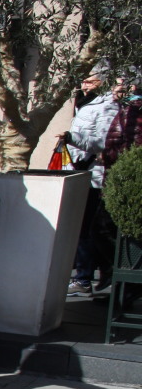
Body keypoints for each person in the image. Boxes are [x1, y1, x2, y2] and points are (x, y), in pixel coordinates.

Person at [65, 79, 124, 294]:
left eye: (90, 80)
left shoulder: (107, 106)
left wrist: (73, 140)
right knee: (88, 228)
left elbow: (104, 141)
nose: (85, 84)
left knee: (91, 228)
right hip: (83, 173)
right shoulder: (88, 104)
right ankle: (92, 274)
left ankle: (86, 277)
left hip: (96, 176)